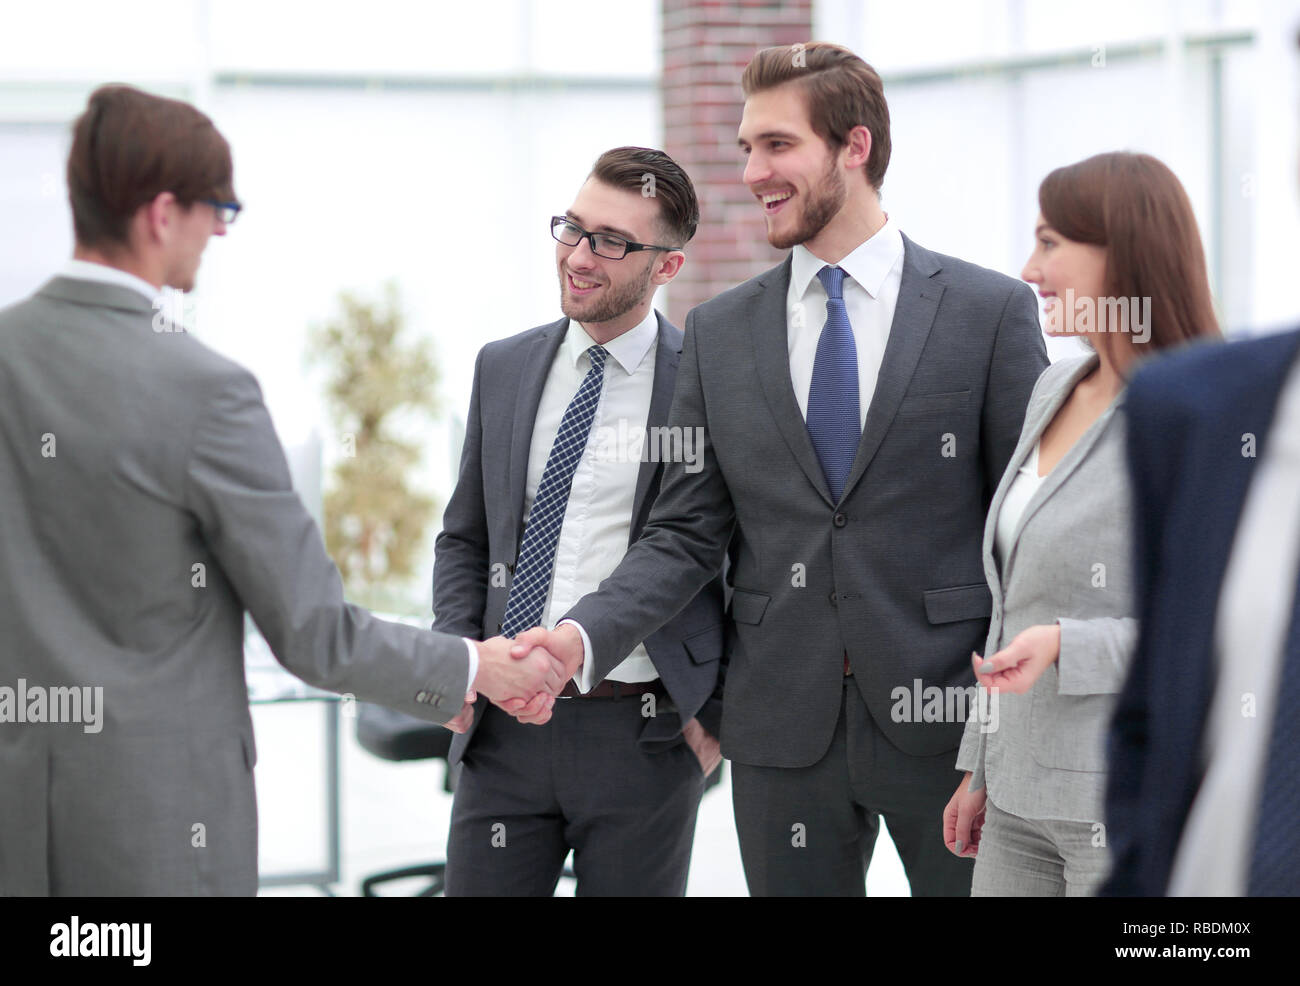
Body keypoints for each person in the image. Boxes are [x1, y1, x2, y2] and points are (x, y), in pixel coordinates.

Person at [507, 42, 1048, 896]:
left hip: (947, 720)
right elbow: (685, 532)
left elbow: (1029, 535)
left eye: (776, 145)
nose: (752, 171)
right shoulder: (721, 331)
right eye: (746, 148)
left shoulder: (987, 313)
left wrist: (1006, 724)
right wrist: (581, 637)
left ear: (854, 146)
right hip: (777, 733)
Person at [0, 84, 559, 896]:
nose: (219, 232)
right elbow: (314, 633)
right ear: (162, 213)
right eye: (217, 208)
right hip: (155, 829)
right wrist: (475, 666)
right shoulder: (202, 388)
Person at [433, 147, 726, 896]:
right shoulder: (503, 366)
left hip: (642, 732)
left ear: (667, 267)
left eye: (612, 241)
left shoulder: (703, 388)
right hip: (502, 729)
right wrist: (455, 665)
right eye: (573, 229)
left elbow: (688, 545)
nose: (580, 257)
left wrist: (714, 717)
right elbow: (464, 536)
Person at [942, 152, 1221, 895]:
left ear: (1123, 252)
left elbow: (1219, 624)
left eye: (1051, 243)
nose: (1030, 270)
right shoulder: (1054, 386)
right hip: (1014, 803)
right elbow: (1012, 604)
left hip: (1125, 800)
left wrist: (1070, 646)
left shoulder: (1205, 411)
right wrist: (980, 765)